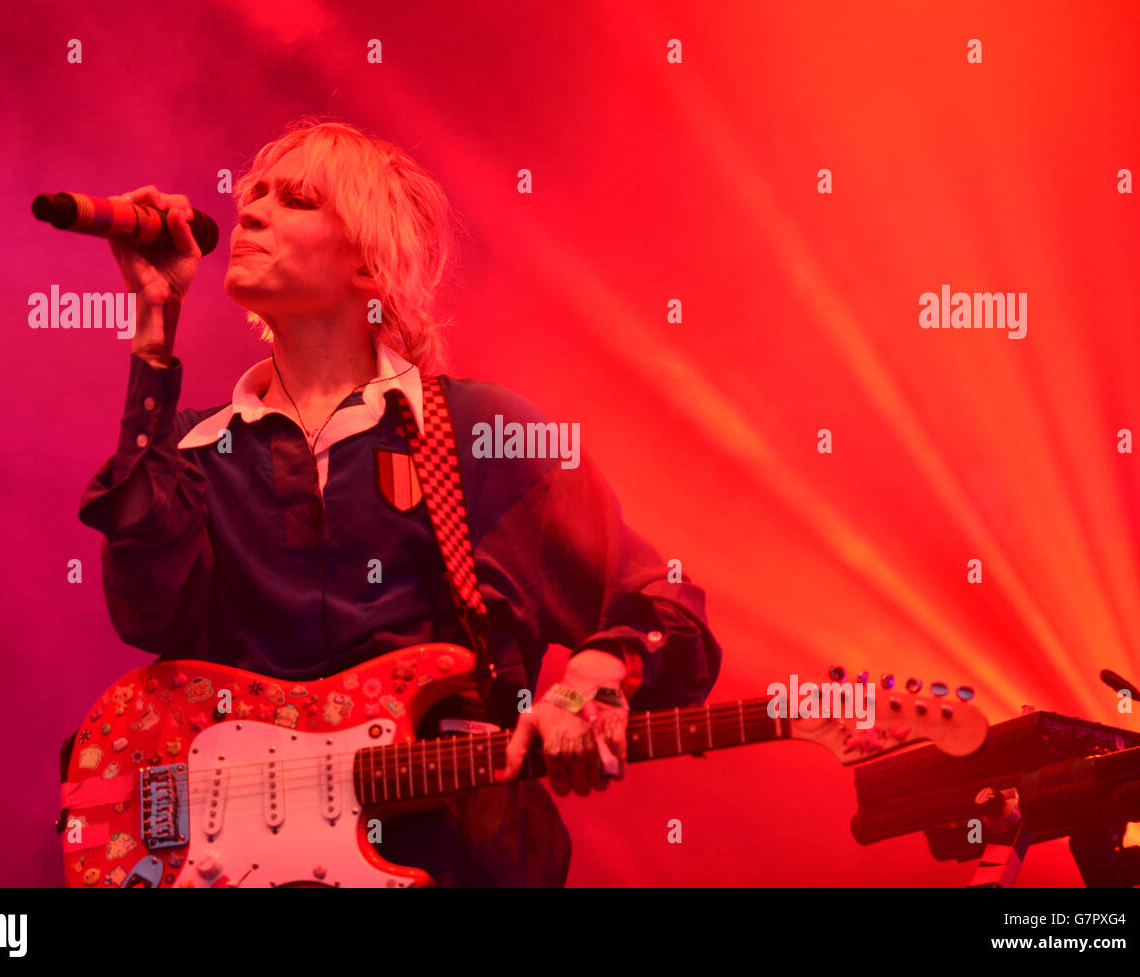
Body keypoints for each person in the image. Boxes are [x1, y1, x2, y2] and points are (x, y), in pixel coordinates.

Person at [77, 116, 722, 887]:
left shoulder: (488, 435)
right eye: (252, 193)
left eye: (297, 199)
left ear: (369, 269)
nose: (248, 209)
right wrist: (154, 332)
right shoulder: (195, 450)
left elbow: (665, 609)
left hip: (454, 859)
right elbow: (150, 617)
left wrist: (596, 669)